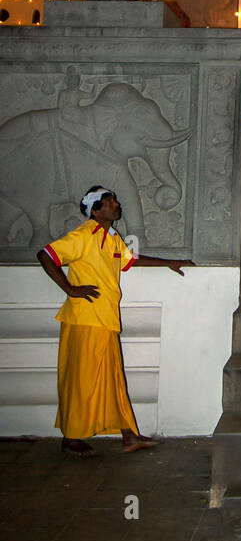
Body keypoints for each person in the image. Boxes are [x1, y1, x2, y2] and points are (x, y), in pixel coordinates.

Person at [37, 186, 192, 458]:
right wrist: (70, 289)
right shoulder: (84, 235)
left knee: (113, 379)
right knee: (81, 379)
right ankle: (71, 438)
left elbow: (130, 261)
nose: (117, 204)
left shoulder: (111, 237)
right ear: (96, 210)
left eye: (115, 201)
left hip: (105, 319)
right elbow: (46, 255)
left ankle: (129, 436)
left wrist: (170, 262)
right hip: (84, 320)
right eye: (110, 202)